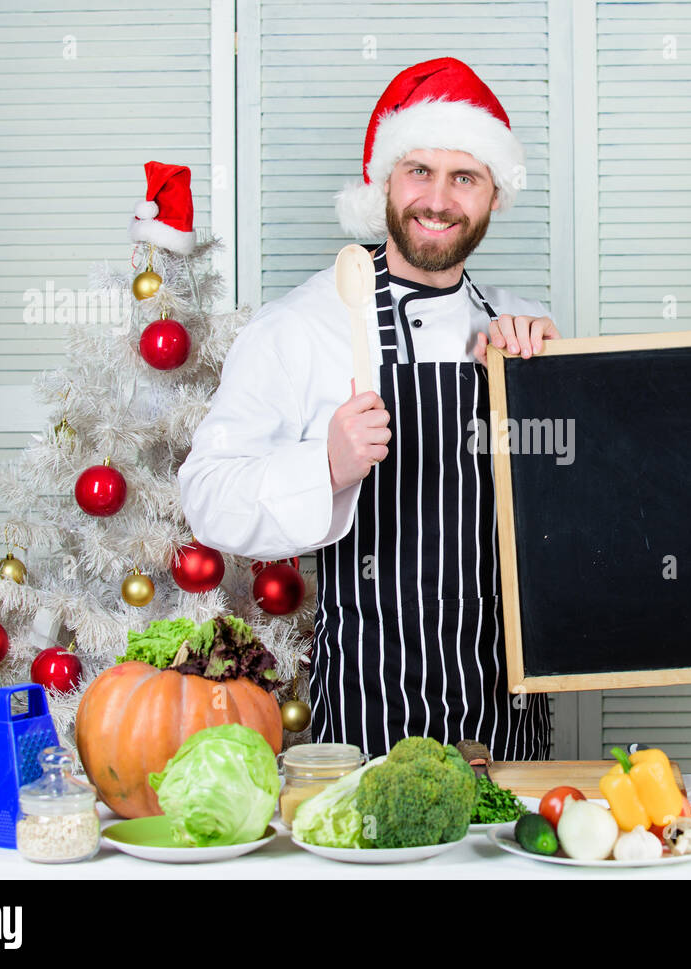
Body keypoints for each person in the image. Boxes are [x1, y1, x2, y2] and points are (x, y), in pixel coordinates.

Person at [179, 58, 559, 759]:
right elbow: (206, 494)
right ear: (383, 181)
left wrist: (557, 392)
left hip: (506, 718)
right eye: (419, 171)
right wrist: (323, 465)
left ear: (493, 196)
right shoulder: (302, 324)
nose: (439, 200)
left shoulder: (522, 325)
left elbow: (590, 514)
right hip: (368, 712)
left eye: (464, 177)